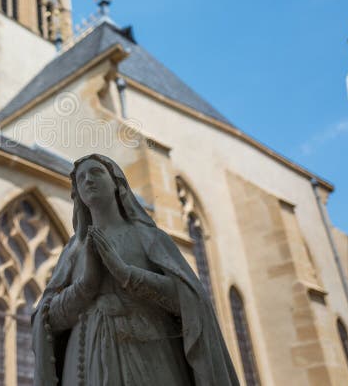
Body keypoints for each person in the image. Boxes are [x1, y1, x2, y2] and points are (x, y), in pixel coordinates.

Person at [32, 154, 239, 385]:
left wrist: (127, 274)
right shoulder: (73, 250)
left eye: (96, 173)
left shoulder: (148, 237)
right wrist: (85, 286)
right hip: (86, 359)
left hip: (149, 354)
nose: (88, 180)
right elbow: (48, 319)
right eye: (81, 178)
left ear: (117, 184)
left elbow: (188, 298)